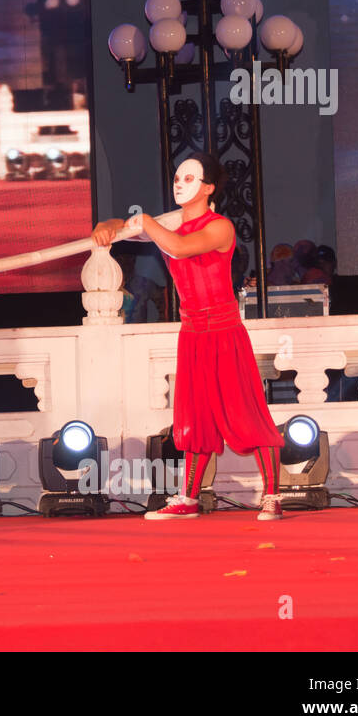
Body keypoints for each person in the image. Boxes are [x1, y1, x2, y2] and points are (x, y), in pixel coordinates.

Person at [92, 152, 285, 520]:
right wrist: (108, 223)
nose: (180, 184)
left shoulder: (220, 227)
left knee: (246, 413)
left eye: (189, 178)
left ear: (208, 187)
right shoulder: (170, 224)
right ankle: (189, 498)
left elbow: (178, 247)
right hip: (193, 333)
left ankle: (273, 495)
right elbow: (125, 228)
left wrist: (146, 221)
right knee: (195, 417)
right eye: (178, 178)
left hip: (225, 331)